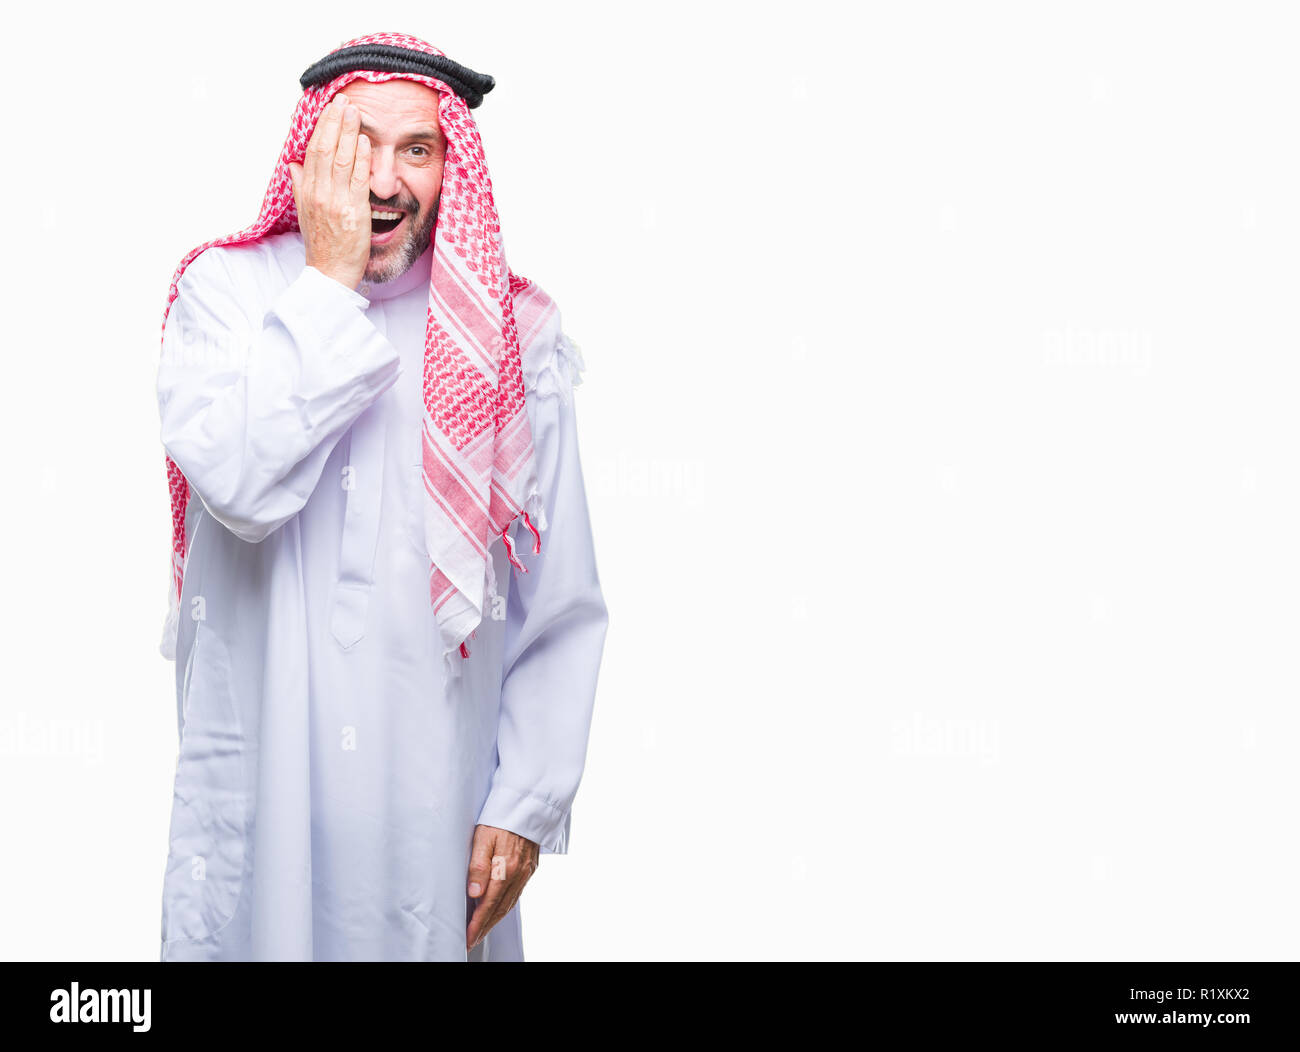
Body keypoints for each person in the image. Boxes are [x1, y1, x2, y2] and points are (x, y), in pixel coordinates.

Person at [153, 32, 609, 962]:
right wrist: (326, 279)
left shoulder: (509, 333)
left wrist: (526, 800)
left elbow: (557, 601)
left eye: (419, 149)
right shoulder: (227, 296)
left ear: (454, 167)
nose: (386, 180)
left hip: (434, 806)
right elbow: (240, 484)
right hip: (262, 788)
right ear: (312, 153)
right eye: (359, 144)